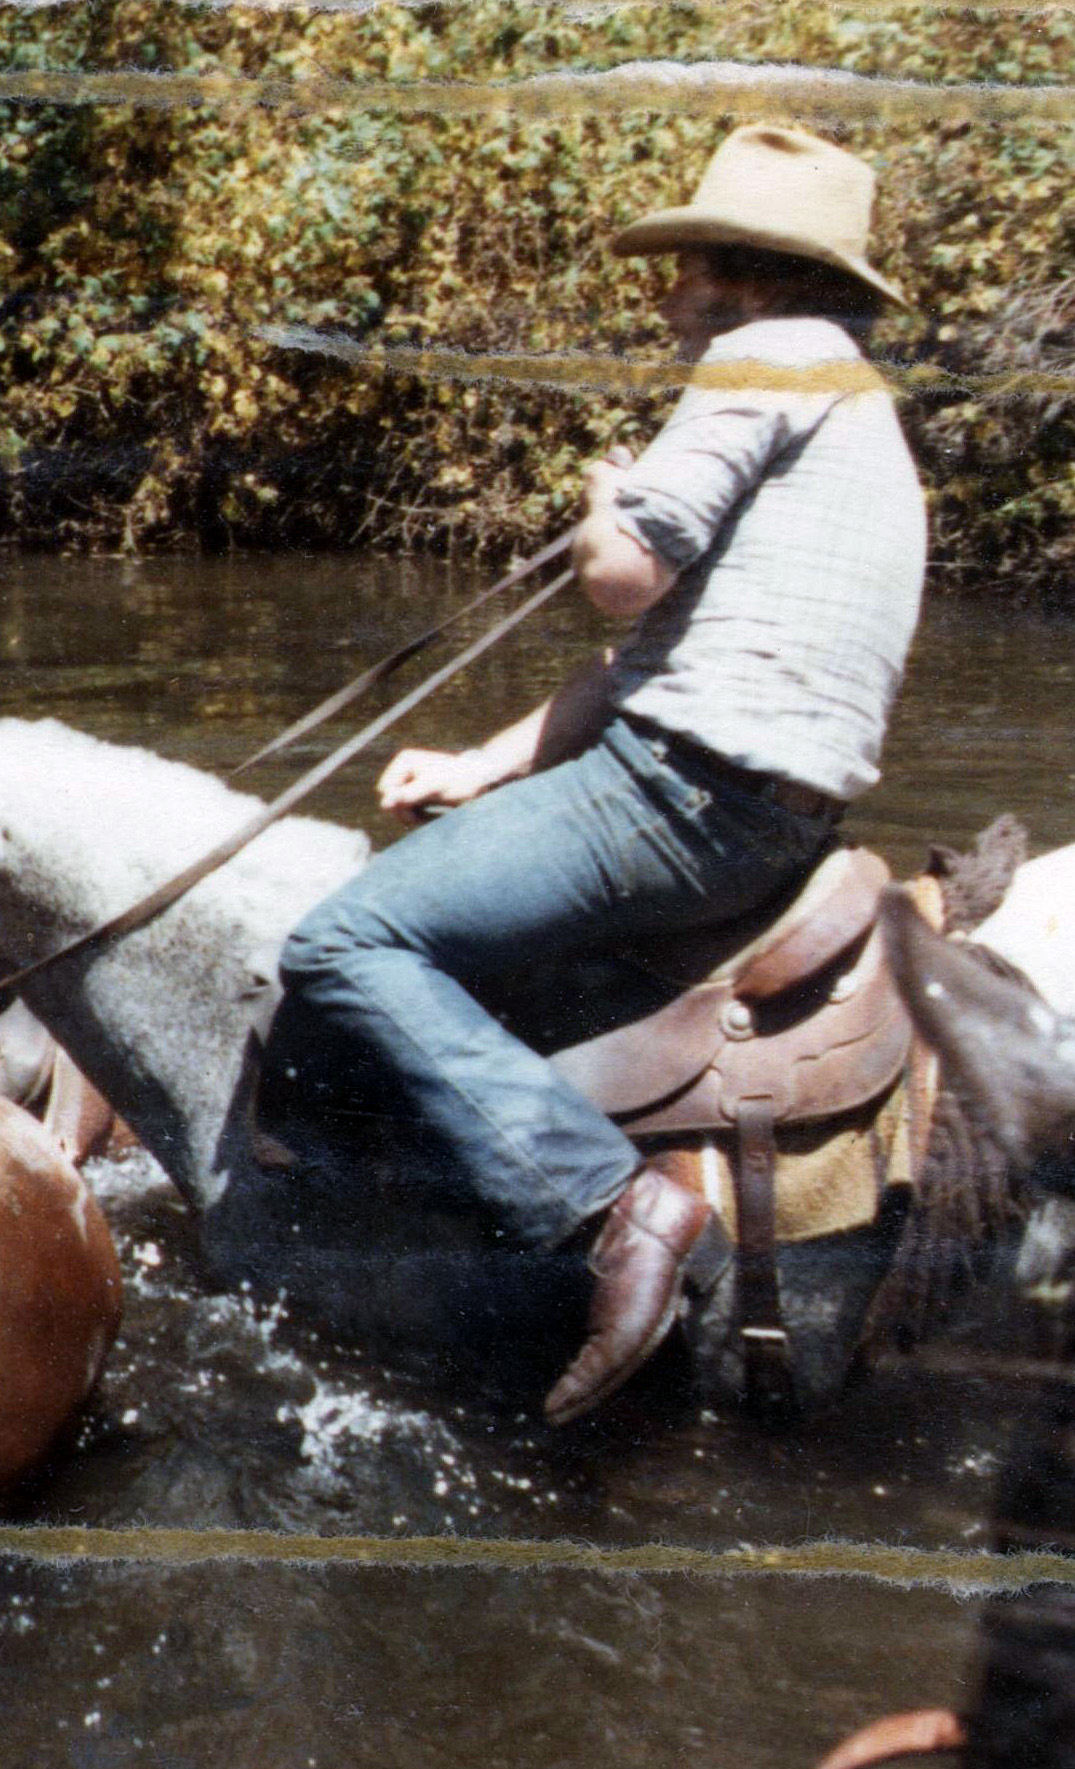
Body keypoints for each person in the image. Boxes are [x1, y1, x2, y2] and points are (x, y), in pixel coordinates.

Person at [271, 124, 926, 1424]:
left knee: (344, 939)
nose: (664, 299)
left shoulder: (760, 358)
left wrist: (606, 503)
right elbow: (648, 660)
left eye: (680, 271)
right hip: (762, 814)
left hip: (680, 799)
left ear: (742, 276)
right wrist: (479, 764)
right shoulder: (858, 401)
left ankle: (616, 1202)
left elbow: (625, 581)